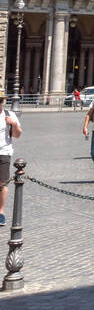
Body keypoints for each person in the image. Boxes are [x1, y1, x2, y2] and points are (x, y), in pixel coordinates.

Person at [0, 92, 22, 227]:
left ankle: (0, 212)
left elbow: (17, 135)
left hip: (3, 152)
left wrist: (13, 124)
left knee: (2, 183)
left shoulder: (9, 115)